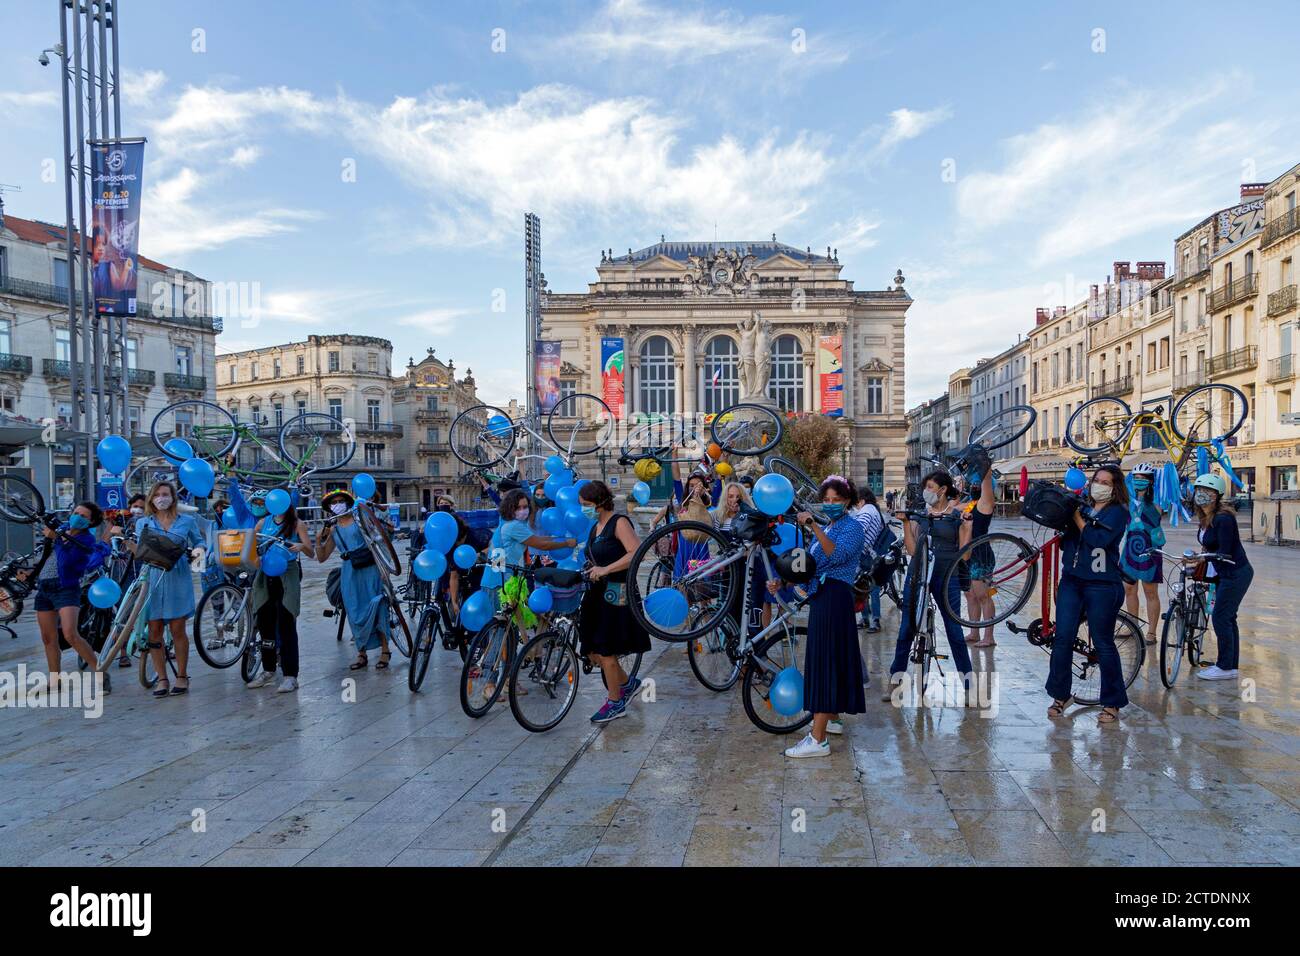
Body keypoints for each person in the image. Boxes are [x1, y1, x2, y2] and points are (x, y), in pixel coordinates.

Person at [772, 475, 865, 758]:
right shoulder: (831, 525)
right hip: (823, 597)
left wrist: (812, 525)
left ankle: (818, 738)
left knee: (824, 662)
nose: (830, 504)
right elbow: (811, 567)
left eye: (836, 500)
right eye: (826, 500)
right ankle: (832, 718)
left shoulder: (852, 527)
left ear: (847, 501)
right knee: (831, 659)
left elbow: (834, 555)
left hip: (836, 597)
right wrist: (785, 583)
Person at [1045, 465, 1130, 724]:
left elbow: (1097, 540)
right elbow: (1066, 540)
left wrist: (1077, 519)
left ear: (1115, 487)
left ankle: (1112, 702)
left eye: (1105, 481)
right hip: (1073, 580)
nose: (1099, 485)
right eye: (1097, 480)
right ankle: (1060, 695)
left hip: (1102, 584)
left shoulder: (1118, 513)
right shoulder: (1082, 506)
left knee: (1103, 643)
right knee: (1062, 638)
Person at [885, 470, 974, 700]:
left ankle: (968, 686)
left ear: (943, 490)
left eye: (931, 487)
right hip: (919, 574)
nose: (927, 492)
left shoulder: (957, 515)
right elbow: (913, 551)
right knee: (906, 628)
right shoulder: (920, 515)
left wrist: (967, 526)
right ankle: (896, 680)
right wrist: (906, 522)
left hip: (947, 576)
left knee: (954, 631)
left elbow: (965, 555)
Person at [578, 480, 651, 723]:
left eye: (586, 505)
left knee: (605, 648)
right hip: (597, 593)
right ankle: (628, 684)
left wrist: (607, 568)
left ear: (599, 503)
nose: (583, 509)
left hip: (617, 592)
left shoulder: (618, 522)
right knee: (592, 650)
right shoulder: (595, 527)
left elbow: (635, 552)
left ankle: (615, 701)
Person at [31, 502, 112, 693]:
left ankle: (101, 673)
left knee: (70, 634)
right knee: (48, 638)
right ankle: (54, 679)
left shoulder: (86, 541)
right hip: (45, 587)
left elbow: (67, 561)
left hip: (66, 589)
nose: (77, 517)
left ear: (91, 522)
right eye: (76, 513)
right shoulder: (61, 530)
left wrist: (57, 539)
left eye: (83, 516)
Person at [134, 481, 205, 698]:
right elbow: (139, 549)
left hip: (177, 577)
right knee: (154, 630)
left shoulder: (187, 521)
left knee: (177, 629)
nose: (161, 498)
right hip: (151, 578)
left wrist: (199, 551)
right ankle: (162, 678)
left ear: (173, 498)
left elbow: (200, 541)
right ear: (151, 499)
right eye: (157, 494)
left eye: (165, 494)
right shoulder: (143, 523)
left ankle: (182, 675)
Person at [316, 488, 392, 670]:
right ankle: (362, 653)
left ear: (348, 503)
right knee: (355, 611)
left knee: (378, 606)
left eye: (340, 501)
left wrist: (385, 569)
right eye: (333, 503)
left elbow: (378, 543)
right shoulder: (333, 529)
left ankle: (385, 649)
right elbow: (322, 557)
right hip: (349, 573)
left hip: (370, 568)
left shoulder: (360, 521)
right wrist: (319, 540)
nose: (337, 505)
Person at [245, 497, 315, 692]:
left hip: (288, 574)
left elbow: (311, 552)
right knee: (265, 624)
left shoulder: (297, 524)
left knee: (286, 625)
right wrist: (255, 559)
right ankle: (268, 670)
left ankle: (290, 675)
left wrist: (301, 546)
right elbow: (251, 544)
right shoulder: (262, 522)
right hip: (266, 575)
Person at [1189, 473, 1252, 681]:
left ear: (1216, 496)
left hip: (1235, 573)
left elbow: (1223, 551)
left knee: (1221, 617)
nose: (1202, 495)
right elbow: (1209, 546)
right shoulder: (1206, 517)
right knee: (1229, 618)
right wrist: (1198, 557)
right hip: (1224, 574)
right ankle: (1230, 666)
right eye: (1199, 490)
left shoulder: (1224, 518)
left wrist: (1201, 558)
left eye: (1207, 492)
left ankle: (1224, 667)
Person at [1120, 462, 1165, 645]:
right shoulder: (1127, 500)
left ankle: (1152, 632)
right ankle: (1133, 626)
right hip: (1130, 548)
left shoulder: (1158, 501)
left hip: (1150, 549)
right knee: (1129, 589)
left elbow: (1158, 514)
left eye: (1143, 479)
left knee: (1150, 591)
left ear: (1150, 481)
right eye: (1136, 478)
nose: (1139, 481)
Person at [962, 462, 997, 647]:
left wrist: (985, 469)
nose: (973, 486)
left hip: (981, 555)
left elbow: (987, 481)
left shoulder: (985, 504)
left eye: (977, 483)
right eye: (972, 483)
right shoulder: (971, 504)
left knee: (984, 595)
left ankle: (989, 636)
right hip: (969, 554)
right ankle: (974, 631)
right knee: (970, 595)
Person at [850, 485, 888, 633]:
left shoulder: (867, 510)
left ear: (862, 500)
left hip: (868, 556)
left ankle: (874, 620)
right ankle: (867, 618)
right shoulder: (874, 509)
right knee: (863, 587)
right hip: (868, 555)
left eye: (856, 501)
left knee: (869, 588)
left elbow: (860, 528)